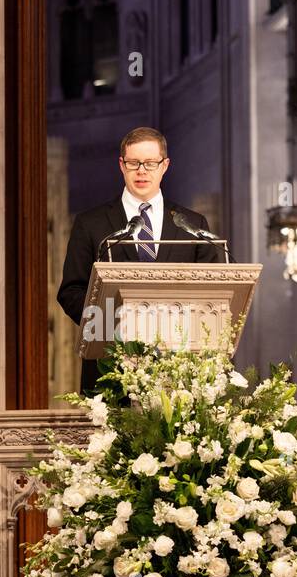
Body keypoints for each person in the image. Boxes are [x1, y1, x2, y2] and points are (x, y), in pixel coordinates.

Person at [56, 127, 226, 395]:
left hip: (179, 374)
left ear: (165, 165)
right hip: (109, 371)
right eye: (134, 163)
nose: (142, 171)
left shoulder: (191, 224)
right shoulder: (91, 224)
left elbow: (212, 294)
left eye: (150, 163)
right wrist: (112, 324)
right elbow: (71, 292)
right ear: (121, 165)